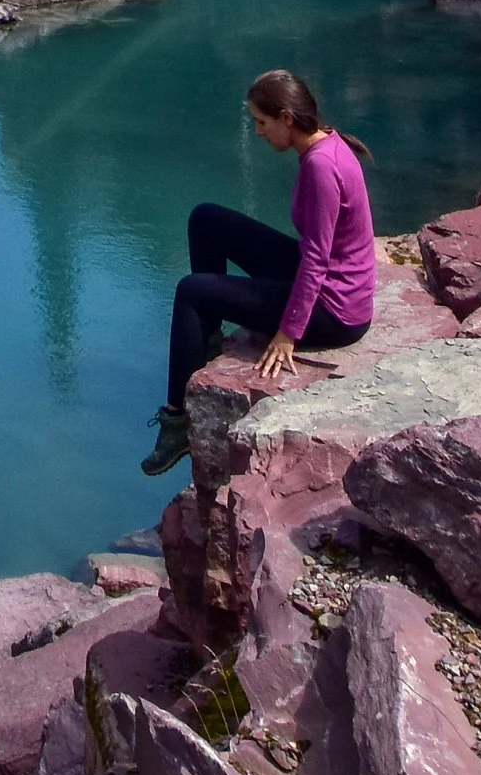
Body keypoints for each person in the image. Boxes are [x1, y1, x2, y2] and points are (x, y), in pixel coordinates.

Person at [140, 69, 375, 476]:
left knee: (192, 291)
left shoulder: (321, 166)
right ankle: (207, 341)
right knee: (206, 219)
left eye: (262, 123)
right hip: (324, 283)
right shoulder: (327, 143)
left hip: (334, 312)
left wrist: (288, 333)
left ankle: (177, 419)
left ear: (287, 118)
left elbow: (318, 259)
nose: (258, 132)